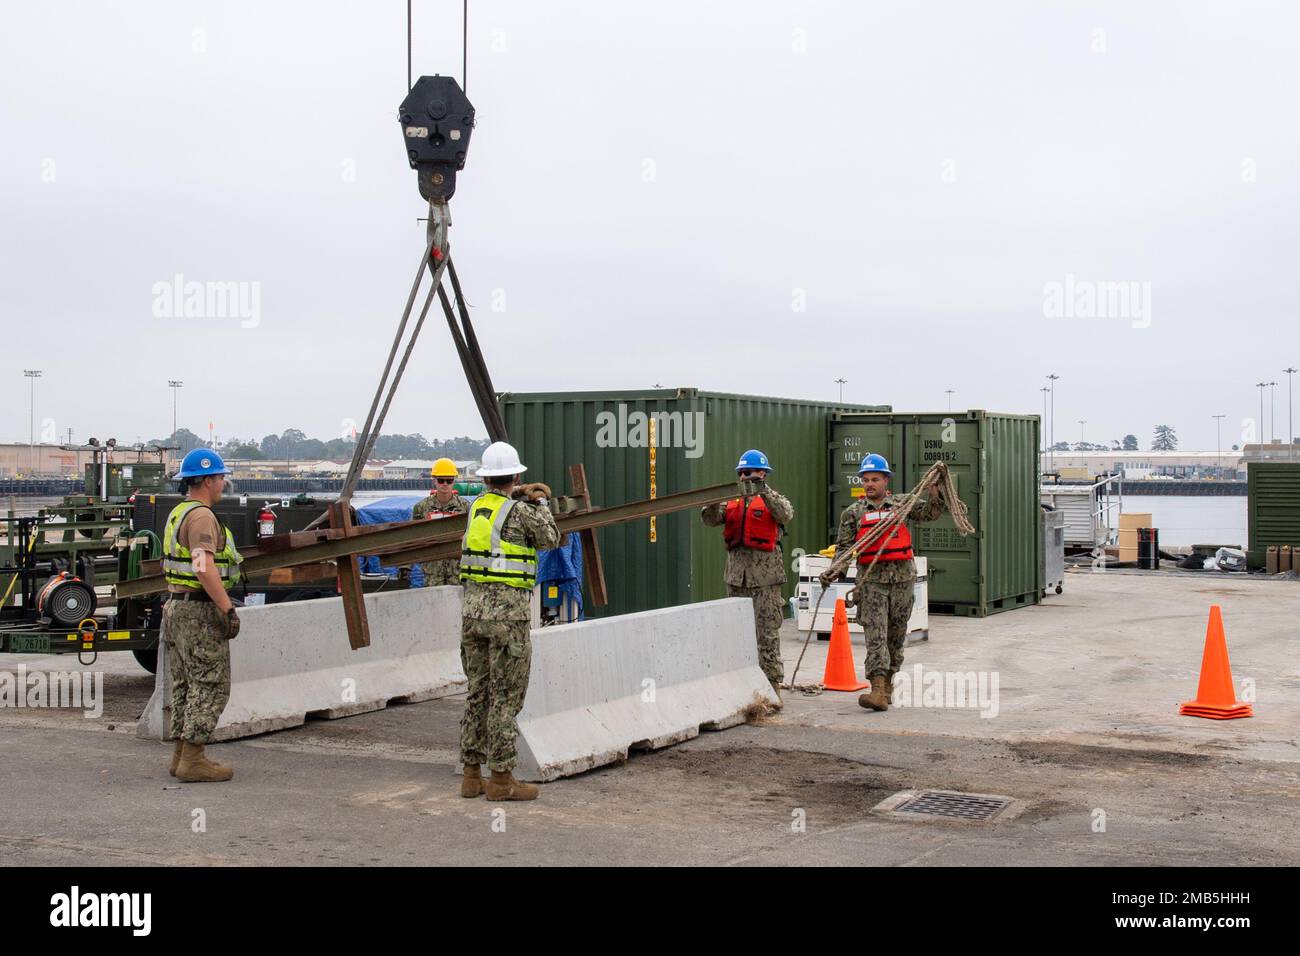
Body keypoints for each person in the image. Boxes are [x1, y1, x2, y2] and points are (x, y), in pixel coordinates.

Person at [457, 441, 559, 800]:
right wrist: (541, 501)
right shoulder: (522, 512)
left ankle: (471, 775)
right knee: (505, 697)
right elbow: (550, 538)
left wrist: (516, 494)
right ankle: (501, 780)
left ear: (486, 478)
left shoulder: (475, 509)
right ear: (516, 475)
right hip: (508, 619)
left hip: (472, 615)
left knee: (477, 693)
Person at [826, 453, 944, 712]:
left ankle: (888, 684)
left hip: (902, 580)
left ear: (886, 480)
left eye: (875, 479)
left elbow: (930, 514)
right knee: (875, 635)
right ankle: (877, 689)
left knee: (896, 634)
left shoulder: (901, 504)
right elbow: (844, 548)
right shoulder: (853, 513)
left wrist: (937, 492)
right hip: (872, 583)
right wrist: (835, 570)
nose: (870, 484)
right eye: (866, 479)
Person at [160, 448, 244, 782]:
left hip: (177, 606)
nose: (224, 483)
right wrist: (227, 607)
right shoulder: (202, 517)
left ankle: (181, 755)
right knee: (211, 684)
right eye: (221, 477)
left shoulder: (179, 512)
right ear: (207, 480)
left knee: (185, 683)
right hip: (198, 611)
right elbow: (202, 565)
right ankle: (193, 759)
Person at [700, 449, 794, 699]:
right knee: (736, 636)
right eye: (742, 472)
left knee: (767, 635)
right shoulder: (731, 501)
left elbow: (785, 514)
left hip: (765, 581)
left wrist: (763, 489)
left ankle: (772, 687)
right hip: (736, 580)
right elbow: (709, 519)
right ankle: (741, 686)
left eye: (750, 472)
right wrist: (711, 499)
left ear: (762, 473)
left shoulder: (773, 499)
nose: (745, 477)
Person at [411, 457, 468, 585]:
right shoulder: (421, 508)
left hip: (458, 572)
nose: (445, 484)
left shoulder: (465, 507)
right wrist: (405, 567)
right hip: (432, 572)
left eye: (449, 480)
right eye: (441, 480)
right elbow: (412, 538)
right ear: (434, 481)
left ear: (454, 481)